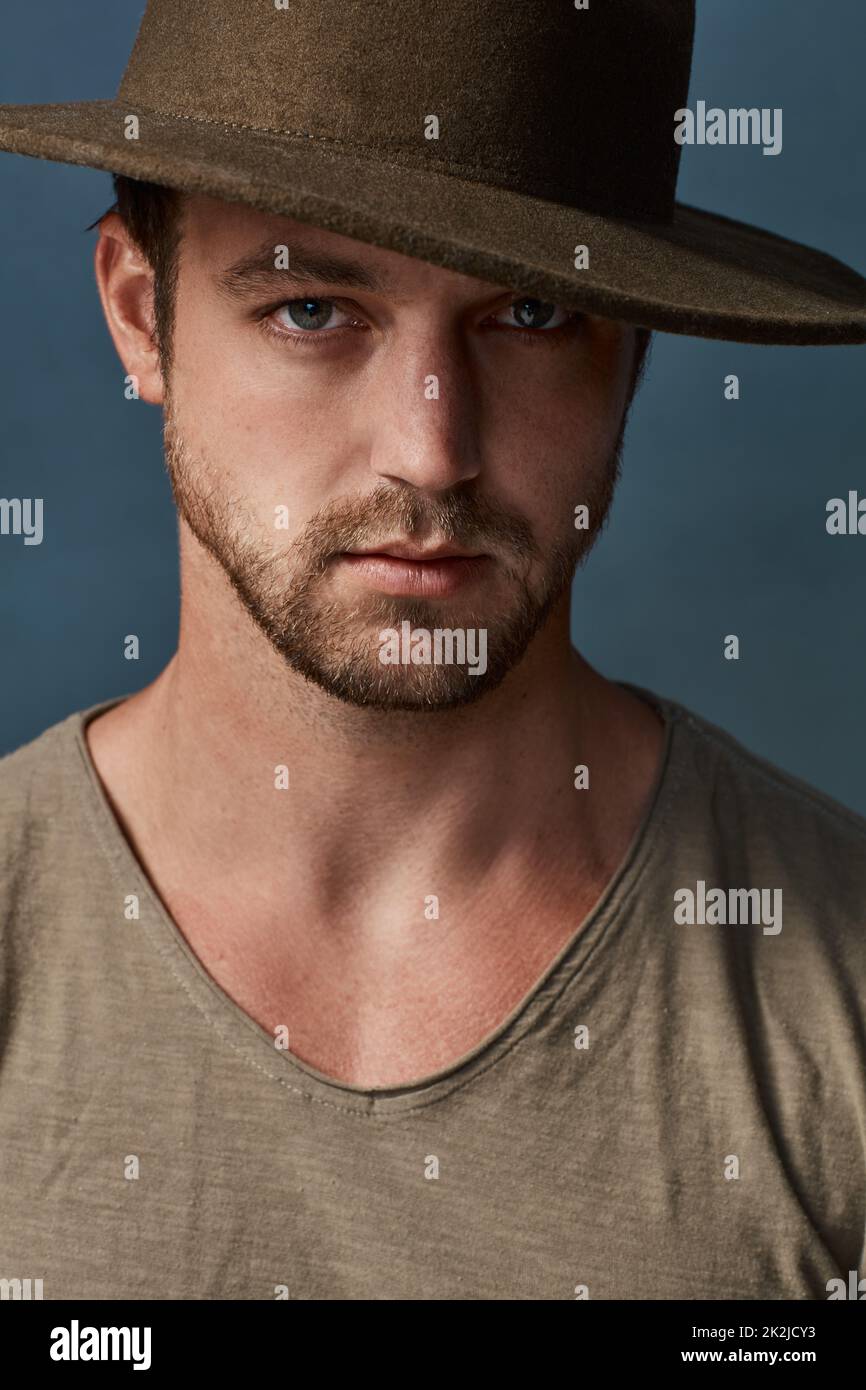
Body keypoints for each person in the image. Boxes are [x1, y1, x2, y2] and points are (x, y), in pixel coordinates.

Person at [0, 0, 864, 1301]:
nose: (431, 448)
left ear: (627, 344)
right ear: (140, 313)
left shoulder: (833, 994)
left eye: (527, 314)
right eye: (310, 310)